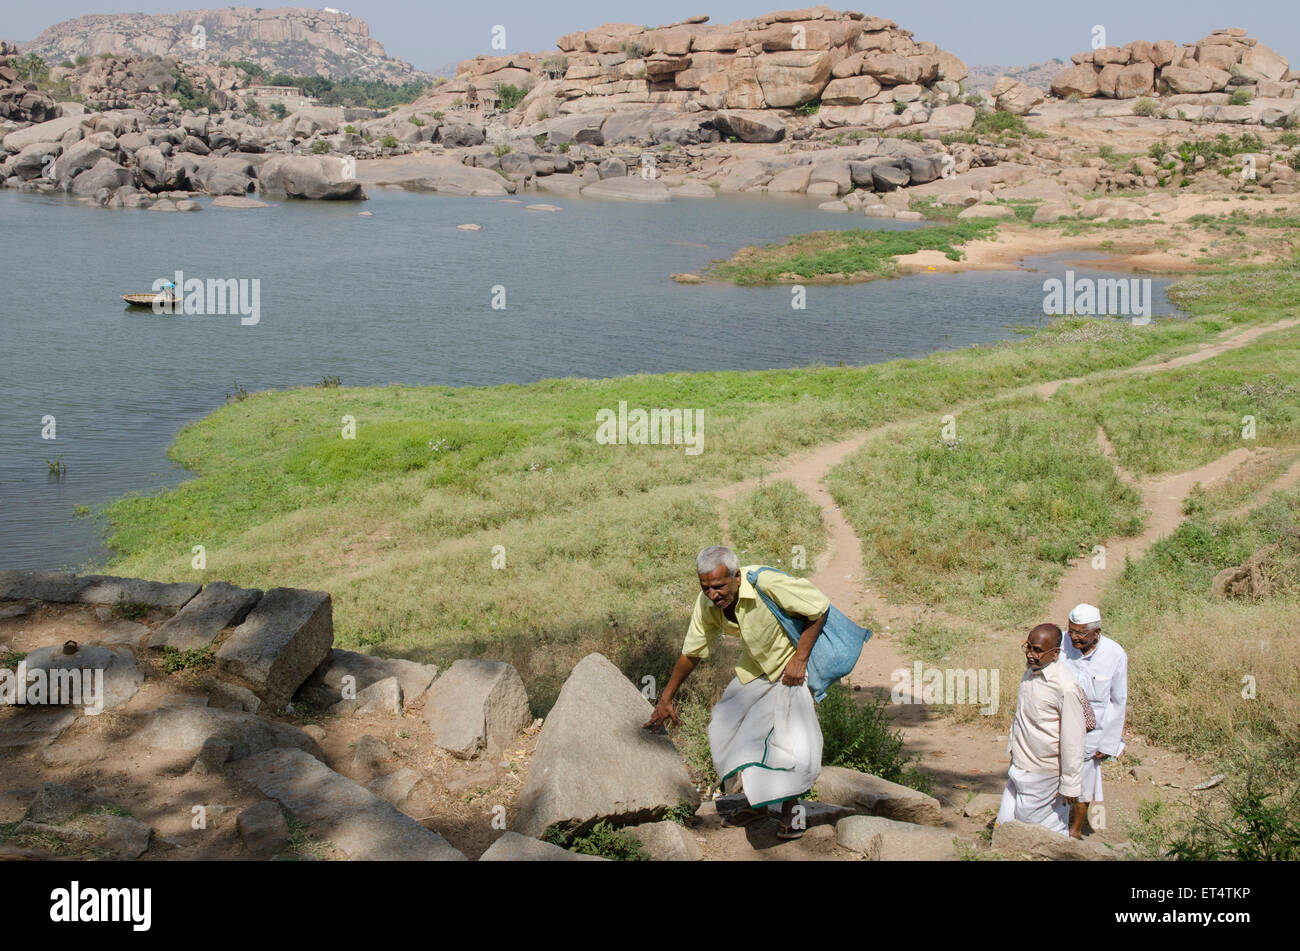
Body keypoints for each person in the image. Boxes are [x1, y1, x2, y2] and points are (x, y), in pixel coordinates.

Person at [643, 545, 828, 840]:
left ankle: (793, 813)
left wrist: (800, 658)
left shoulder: (765, 583)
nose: (713, 594)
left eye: (719, 586)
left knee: (787, 739)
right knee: (724, 728)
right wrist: (665, 698)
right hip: (756, 669)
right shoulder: (707, 605)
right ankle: (757, 804)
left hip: (791, 667)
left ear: (736, 578)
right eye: (705, 587)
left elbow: (819, 607)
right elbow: (692, 652)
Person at [996, 623, 1087, 836]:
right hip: (1020, 764)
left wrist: (1070, 784)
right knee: (1005, 824)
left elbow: (1073, 739)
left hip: (1044, 772)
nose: (1030, 654)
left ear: (1055, 653)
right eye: (1027, 647)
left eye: (1037, 650)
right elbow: (1022, 716)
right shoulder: (1032, 672)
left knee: (1034, 831)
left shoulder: (1064, 687)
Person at [1060, 603, 1128, 839]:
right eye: (1071, 631)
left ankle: (1075, 830)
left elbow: (1118, 701)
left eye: (1081, 633)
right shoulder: (1060, 644)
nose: (1074, 638)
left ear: (1097, 632)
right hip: (1060, 723)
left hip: (1094, 730)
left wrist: (1108, 742)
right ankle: (1053, 824)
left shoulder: (1115, 654)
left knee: (1085, 780)